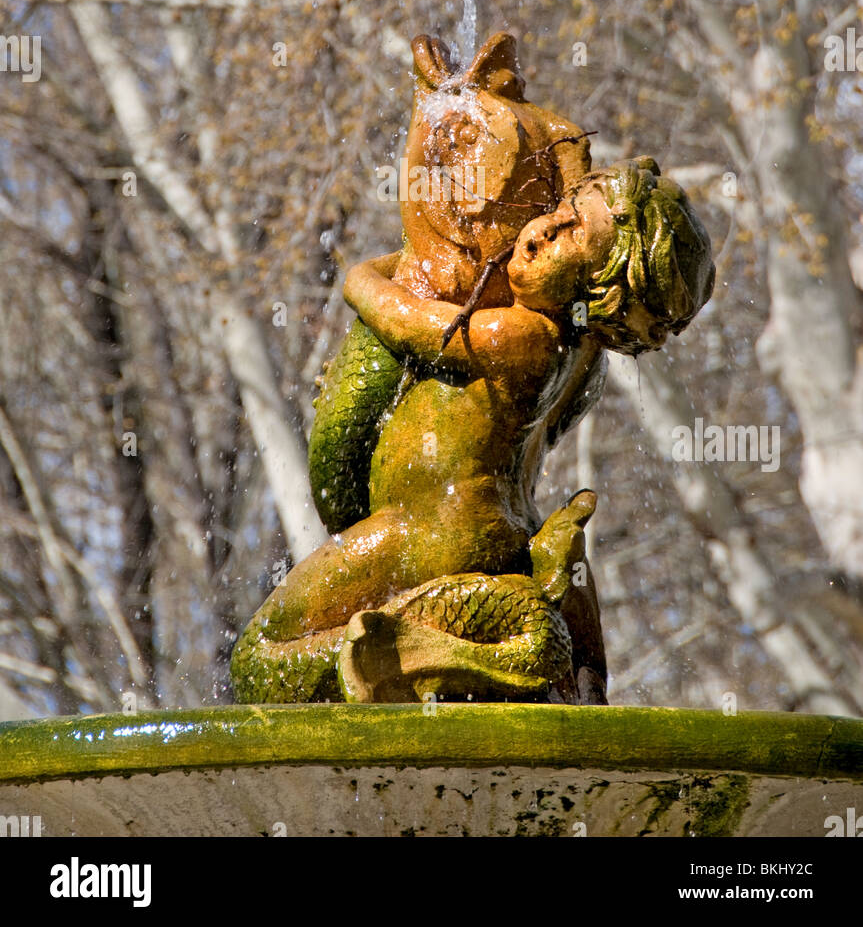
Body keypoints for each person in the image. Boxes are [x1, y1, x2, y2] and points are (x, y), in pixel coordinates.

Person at [230, 158, 715, 703]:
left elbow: (401, 318)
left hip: (423, 537)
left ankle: (404, 648)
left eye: (573, 235)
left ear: (606, 292)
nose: (542, 231)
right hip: (511, 541)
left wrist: (371, 271)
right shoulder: (587, 365)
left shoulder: (520, 337)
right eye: (562, 211)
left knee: (258, 660)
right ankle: (551, 673)